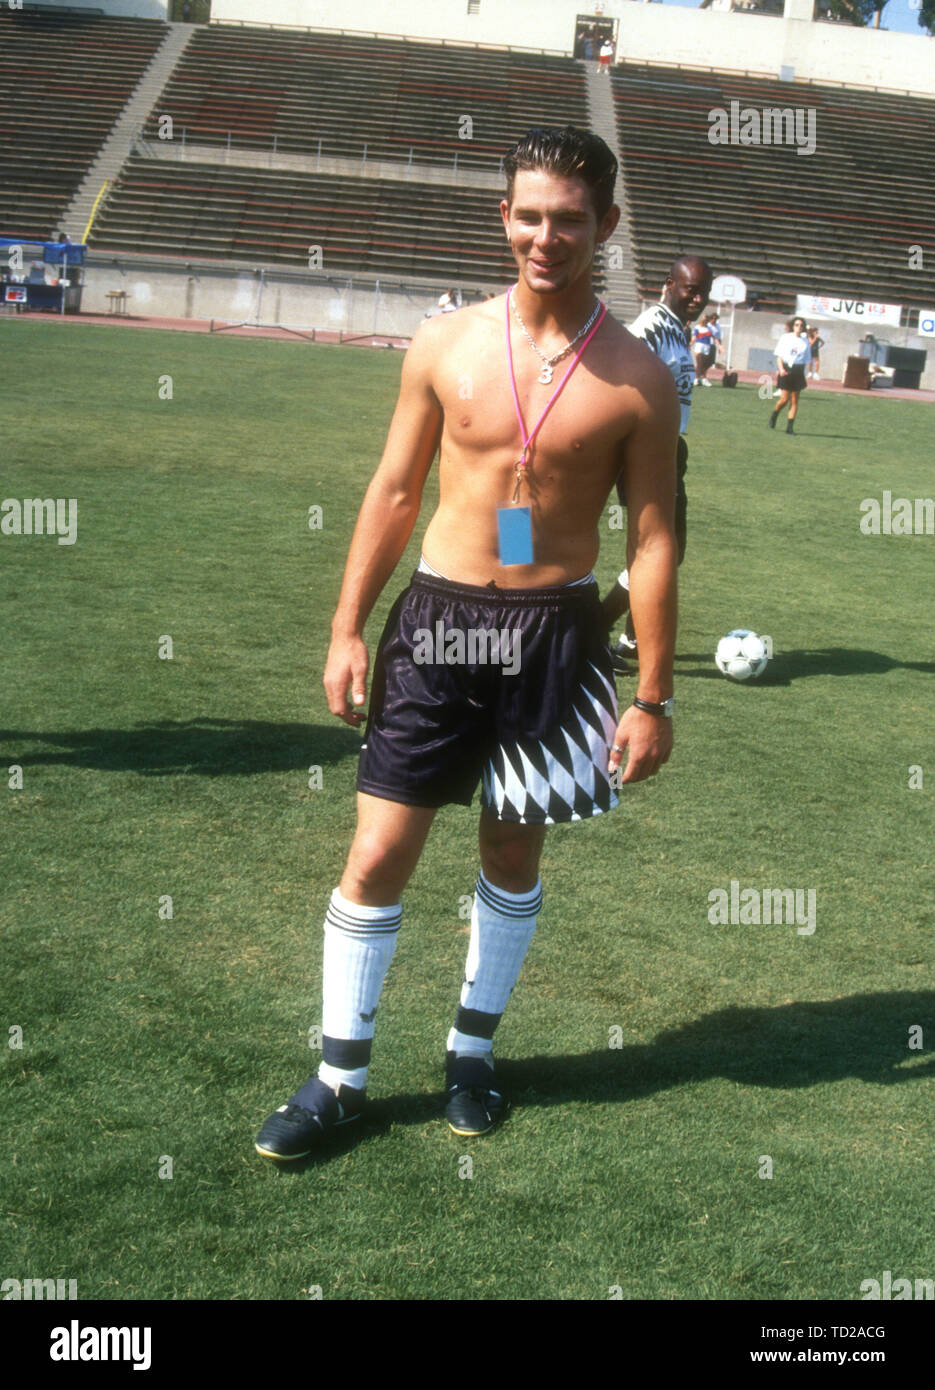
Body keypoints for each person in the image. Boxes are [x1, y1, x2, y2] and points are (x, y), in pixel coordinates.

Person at [254, 126, 680, 1161]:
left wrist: (653, 694)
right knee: (377, 849)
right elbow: (395, 491)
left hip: (554, 637)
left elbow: (657, 537)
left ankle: (470, 1053)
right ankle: (338, 1077)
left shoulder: (636, 379)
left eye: (569, 221)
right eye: (528, 215)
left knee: (508, 844)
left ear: (606, 230)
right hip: (438, 621)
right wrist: (345, 625)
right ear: (503, 218)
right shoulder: (443, 343)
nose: (546, 236)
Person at [600, 254, 712, 667]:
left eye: (704, 292)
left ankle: (629, 639)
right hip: (648, 448)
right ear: (670, 283)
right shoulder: (651, 326)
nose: (698, 298)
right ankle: (597, 626)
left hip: (668, 447)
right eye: (691, 289)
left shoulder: (678, 329)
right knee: (659, 549)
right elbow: (618, 375)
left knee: (667, 549)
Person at [769, 316, 810, 434]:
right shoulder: (786, 338)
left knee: (795, 400)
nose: (799, 327)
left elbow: (806, 359)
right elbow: (779, 356)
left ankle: (790, 427)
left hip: (798, 369)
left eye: (801, 325)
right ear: (793, 326)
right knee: (784, 399)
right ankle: (775, 414)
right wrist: (781, 369)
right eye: (797, 325)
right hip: (786, 368)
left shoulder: (805, 341)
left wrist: (802, 371)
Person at [691, 311, 718, 386]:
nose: (706, 322)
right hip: (699, 346)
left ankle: (703, 379)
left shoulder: (709, 328)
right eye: (705, 320)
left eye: (707, 321)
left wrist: (719, 346)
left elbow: (714, 338)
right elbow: (694, 338)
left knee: (704, 364)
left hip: (707, 347)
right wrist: (690, 345)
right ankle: (697, 379)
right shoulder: (697, 327)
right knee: (699, 363)